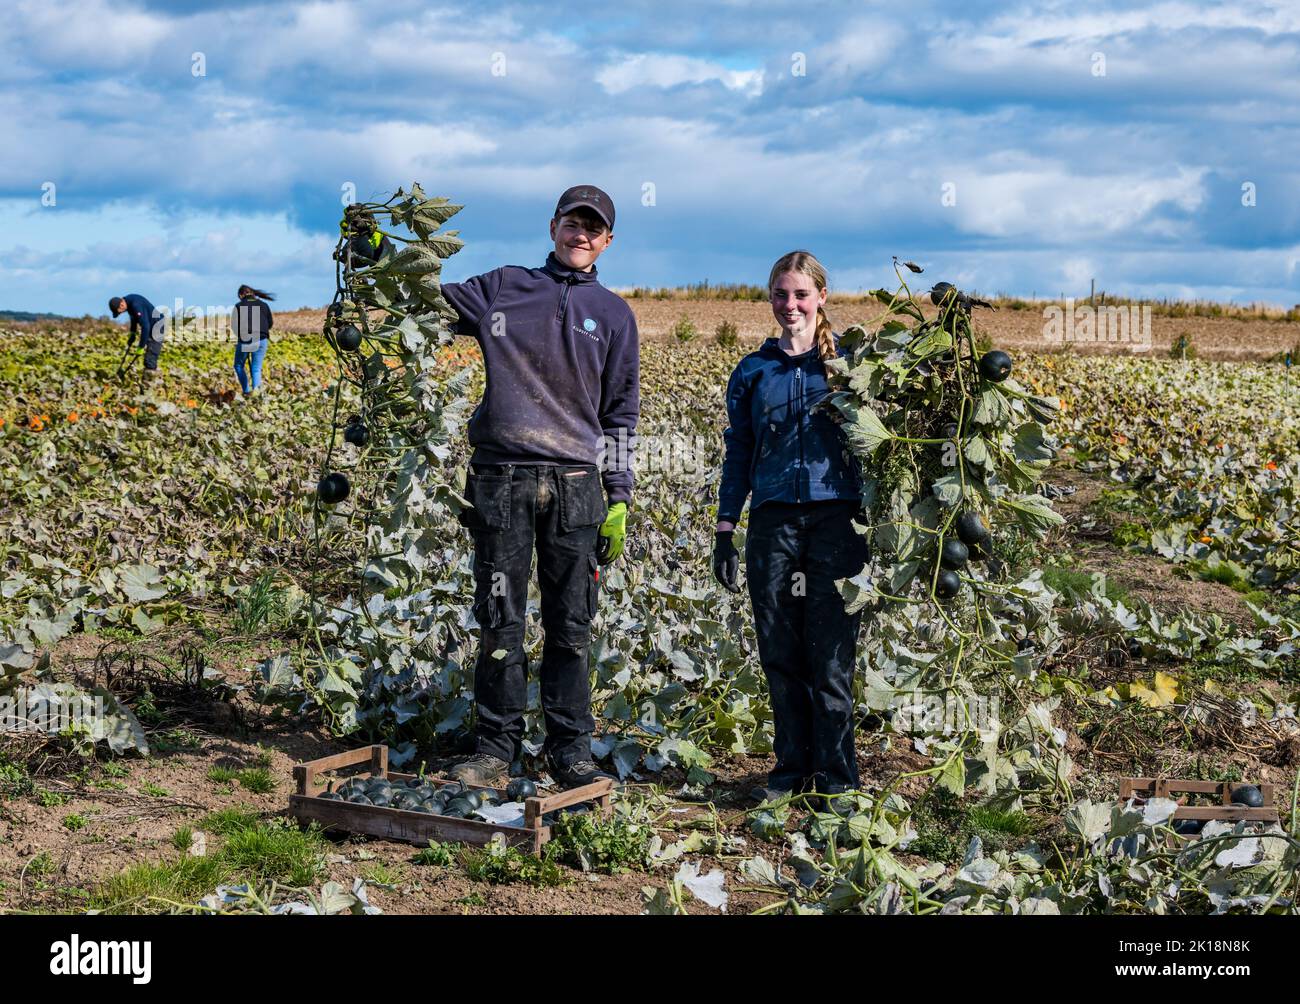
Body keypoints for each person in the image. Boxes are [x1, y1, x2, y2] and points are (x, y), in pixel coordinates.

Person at [439, 185, 639, 789]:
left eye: (593, 228)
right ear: (553, 226)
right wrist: (382, 256)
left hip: (578, 487)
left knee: (571, 625)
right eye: (572, 223)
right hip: (500, 480)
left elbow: (620, 414)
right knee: (499, 616)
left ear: (607, 241)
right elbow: (420, 306)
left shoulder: (613, 315)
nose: (580, 235)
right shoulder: (503, 287)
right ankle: (495, 749)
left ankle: (569, 748)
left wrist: (620, 497)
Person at [713, 250, 868, 809]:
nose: (790, 305)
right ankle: (790, 769)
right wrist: (726, 527)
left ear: (821, 297)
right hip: (773, 522)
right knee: (780, 649)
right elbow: (739, 452)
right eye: (781, 294)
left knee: (830, 652)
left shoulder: (852, 366)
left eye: (801, 294)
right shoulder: (755, 371)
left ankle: (837, 778)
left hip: (837, 520)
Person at [230, 285, 275, 396]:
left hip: (245, 339)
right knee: (256, 368)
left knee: (239, 366)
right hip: (262, 339)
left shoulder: (239, 306)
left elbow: (234, 326)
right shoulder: (264, 305)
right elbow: (270, 323)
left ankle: (246, 391)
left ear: (241, 295)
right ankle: (256, 393)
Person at [109, 294, 164, 375]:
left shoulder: (135, 305)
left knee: (150, 357)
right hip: (151, 324)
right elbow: (134, 318)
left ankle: (151, 379)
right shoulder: (128, 302)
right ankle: (151, 374)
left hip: (158, 325)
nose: (121, 313)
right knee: (149, 355)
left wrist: (141, 347)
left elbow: (145, 327)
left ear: (121, 305)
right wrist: (132, 333)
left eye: (120, 312)